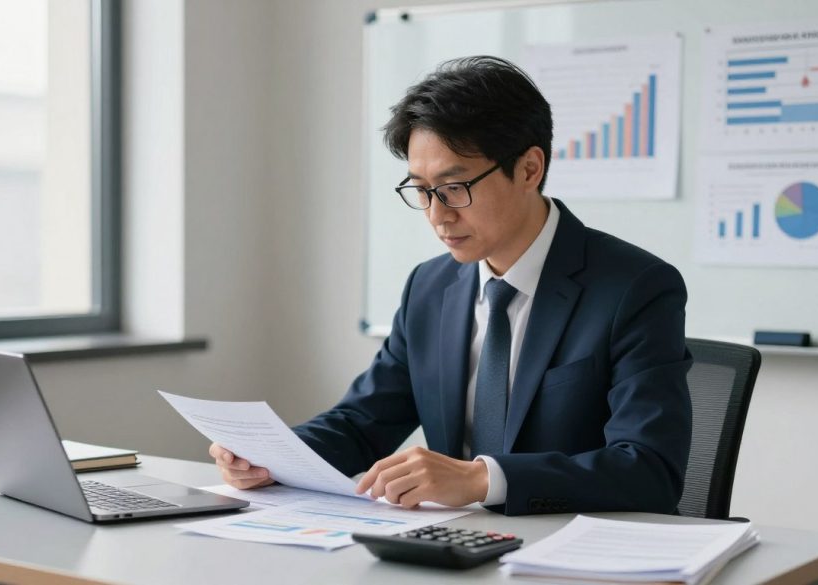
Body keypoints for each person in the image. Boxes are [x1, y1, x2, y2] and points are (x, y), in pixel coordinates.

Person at [209, 56, 692, 516]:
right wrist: (269, 456)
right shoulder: (430, 286)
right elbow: (362, 423)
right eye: (420, 189)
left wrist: (483, 479)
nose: (437, 215)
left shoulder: (635, 288)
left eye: (455, 187)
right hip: (450, 547)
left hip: (574, 553)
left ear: (529, 169)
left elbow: (648, 469)